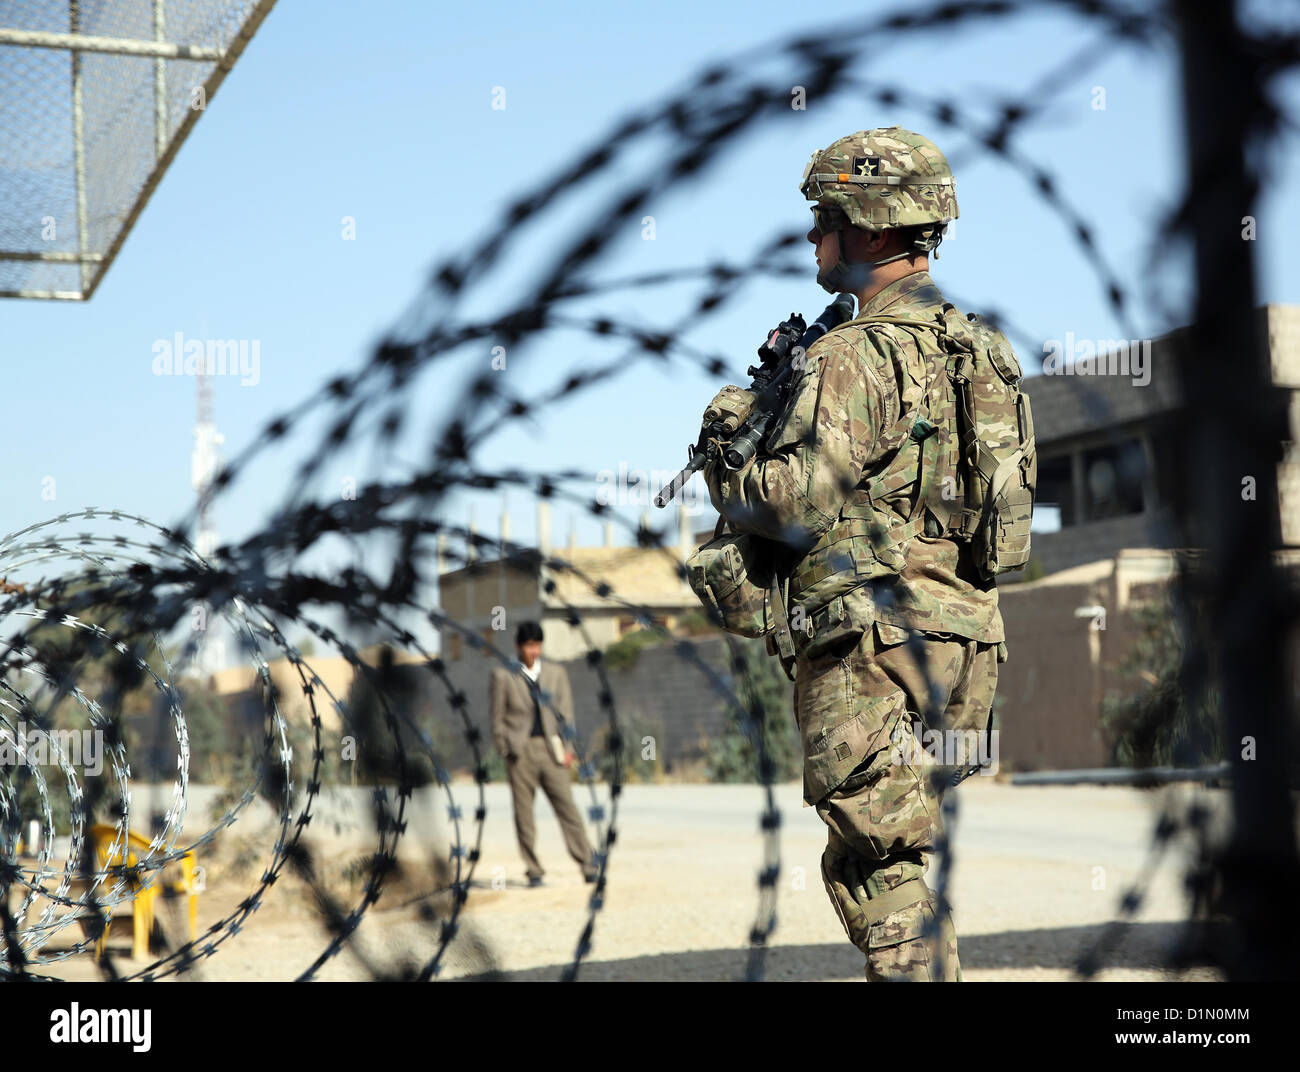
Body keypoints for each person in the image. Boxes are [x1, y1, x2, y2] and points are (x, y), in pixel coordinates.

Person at [703, 127, 1018, 981]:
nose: (813, 239)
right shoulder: (981, 350)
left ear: (874, 229)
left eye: (824, 220)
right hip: (965, 643)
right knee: (911, 859)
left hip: (871, 646)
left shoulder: (850, 354)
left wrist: (729, 451)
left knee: (882, 871)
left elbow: (795, 498)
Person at [489, 621, 597, 886]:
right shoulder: (503, 675)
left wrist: (569, 749)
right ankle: (533, 870)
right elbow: (496, 718)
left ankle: (588, 865)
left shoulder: (556, 673)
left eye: (537, 645)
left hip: (553, 750)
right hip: (520, 752)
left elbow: (566, 714)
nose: (533, 651)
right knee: (524, 815)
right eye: (528, 645)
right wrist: (506, 749)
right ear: (518, 646)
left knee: (568, 809)